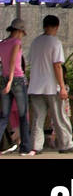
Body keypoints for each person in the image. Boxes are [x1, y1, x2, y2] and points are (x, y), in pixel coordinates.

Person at [28, 15, 73, 154]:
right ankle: (66, 144)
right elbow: (57, 66)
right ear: (56, 27)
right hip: (52, 87)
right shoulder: (55, 43)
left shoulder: (35, 42)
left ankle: (36, 146)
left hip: (35, 86)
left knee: (37, 118)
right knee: (59, 117)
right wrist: (62, 86)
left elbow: (30, 62)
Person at [0, 19, 33, 156]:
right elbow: (13, 61)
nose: (22, 36)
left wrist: (6, 81)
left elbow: (4, 63)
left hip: (4, 78)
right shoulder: (16, 43)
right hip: (17, 79)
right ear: (19, 31)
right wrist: (11, 80)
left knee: (4, 116)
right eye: (22, 33)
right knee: (22, 115)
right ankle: (25, 147)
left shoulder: (2, 44)